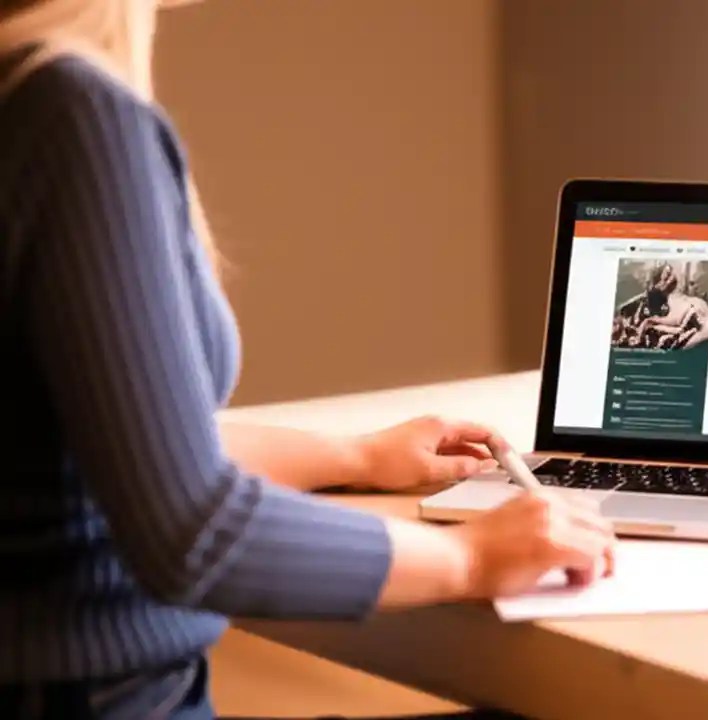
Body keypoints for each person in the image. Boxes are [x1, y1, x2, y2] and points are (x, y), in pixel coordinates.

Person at [0, 1, 615, 718]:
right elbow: (192, 533)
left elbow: (106, 443)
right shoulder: (72, 119)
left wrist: (354, 456)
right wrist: (471, 559)